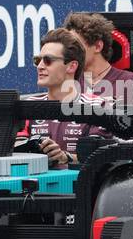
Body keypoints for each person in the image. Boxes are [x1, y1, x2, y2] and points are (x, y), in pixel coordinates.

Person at [62, 12, 133, 124]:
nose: (69, 50)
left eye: (76, 44)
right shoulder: (68, 80)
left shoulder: (130, 81)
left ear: (98, 46)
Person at [22, 28, 111, 168]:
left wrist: (65, 157)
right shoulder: (28, 106)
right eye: (37, 60)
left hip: (79, 187)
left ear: (71, 66)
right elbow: (13, 149)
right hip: (34, 187)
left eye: (48, 60)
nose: (39, 66)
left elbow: (99, 156)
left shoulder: (97, 106)